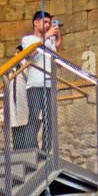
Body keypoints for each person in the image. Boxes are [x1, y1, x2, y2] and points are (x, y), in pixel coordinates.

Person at [15, 10, 62, 151]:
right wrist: (46, 36)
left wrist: (55, 39)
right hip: (35, 84)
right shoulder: (28, 39)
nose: (48, 25)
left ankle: (46, 151)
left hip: (49, 84)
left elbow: (58, 62)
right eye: (45, 22)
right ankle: (31, 149)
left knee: (50, 121)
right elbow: (30, 55)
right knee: (34, 118)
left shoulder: (49, 41)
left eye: (49, 22)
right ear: (36, 22)